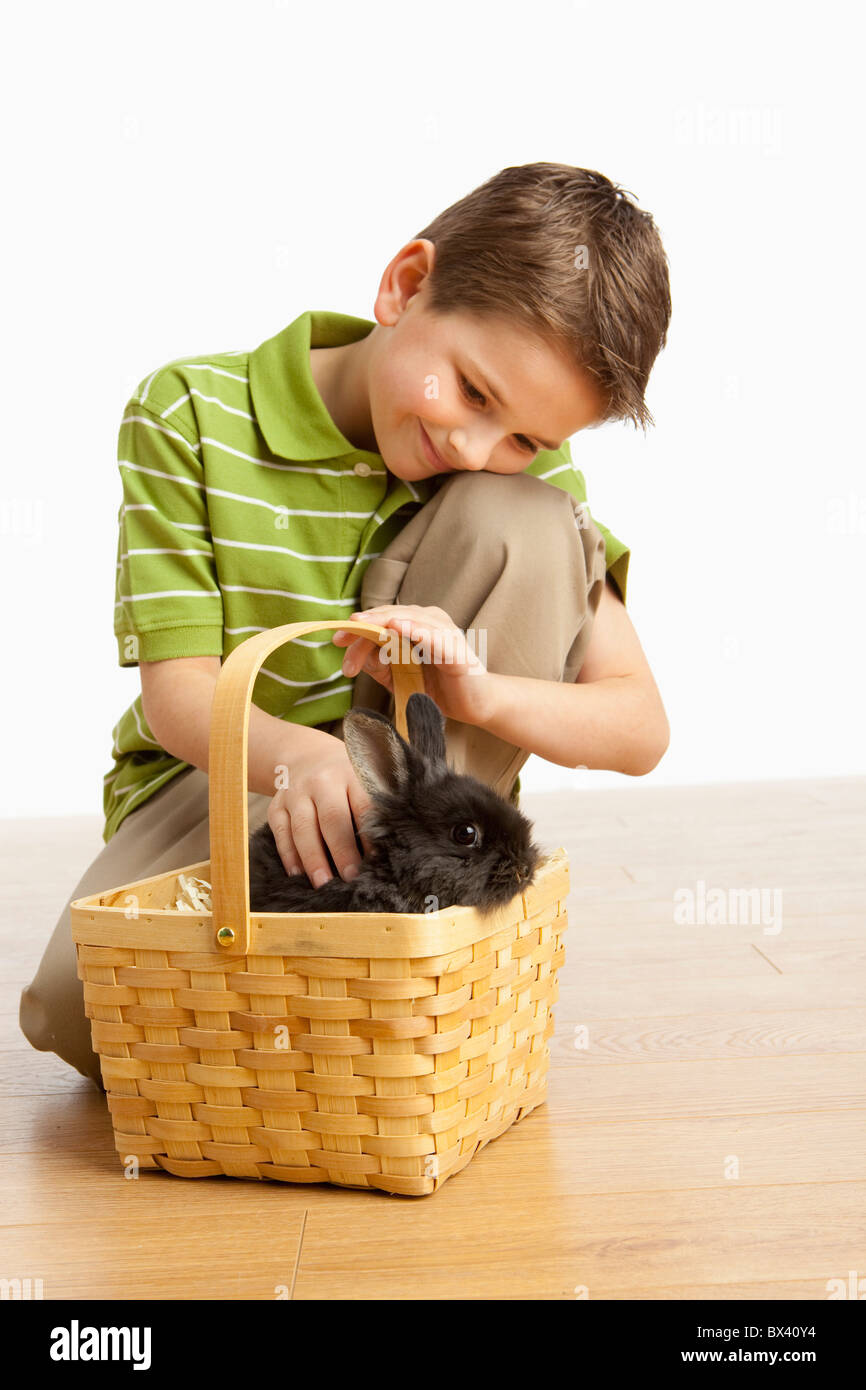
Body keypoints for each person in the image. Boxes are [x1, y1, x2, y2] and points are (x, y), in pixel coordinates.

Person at [20, 161, 672, 1088]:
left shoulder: (527, 480)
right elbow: (178, 698)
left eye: (528, 437)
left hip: (419, 815)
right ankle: (318, 977)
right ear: (406, 287)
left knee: (520, 518)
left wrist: (478, 689)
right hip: (227, 776)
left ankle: (407, 927)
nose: (479, 450)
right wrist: (306, 761)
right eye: (475, 394)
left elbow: (639, 728)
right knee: (79, 1013)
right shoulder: (188, 413)